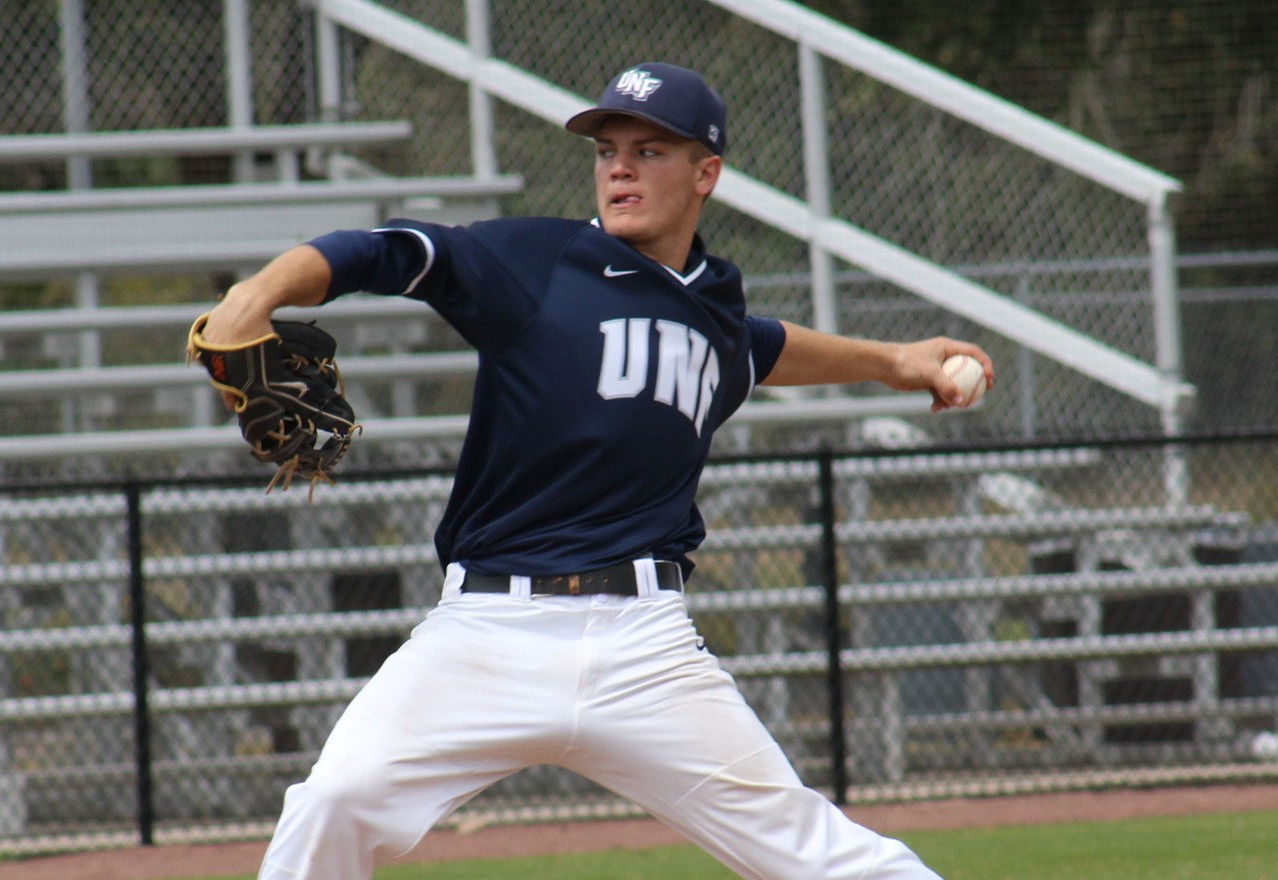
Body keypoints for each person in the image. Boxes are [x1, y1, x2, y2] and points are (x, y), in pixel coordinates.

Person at [200, 61, 989, 880]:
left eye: (649, 151)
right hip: (486, 635)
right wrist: (256, 295)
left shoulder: (714, 307)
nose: (620, 168)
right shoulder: (539, 260)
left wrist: (894, 361)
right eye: (608, 150)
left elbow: (766, 347)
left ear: (706, 174)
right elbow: (386, 251)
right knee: (334, 803)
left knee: (817, 852)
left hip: (645, 647)